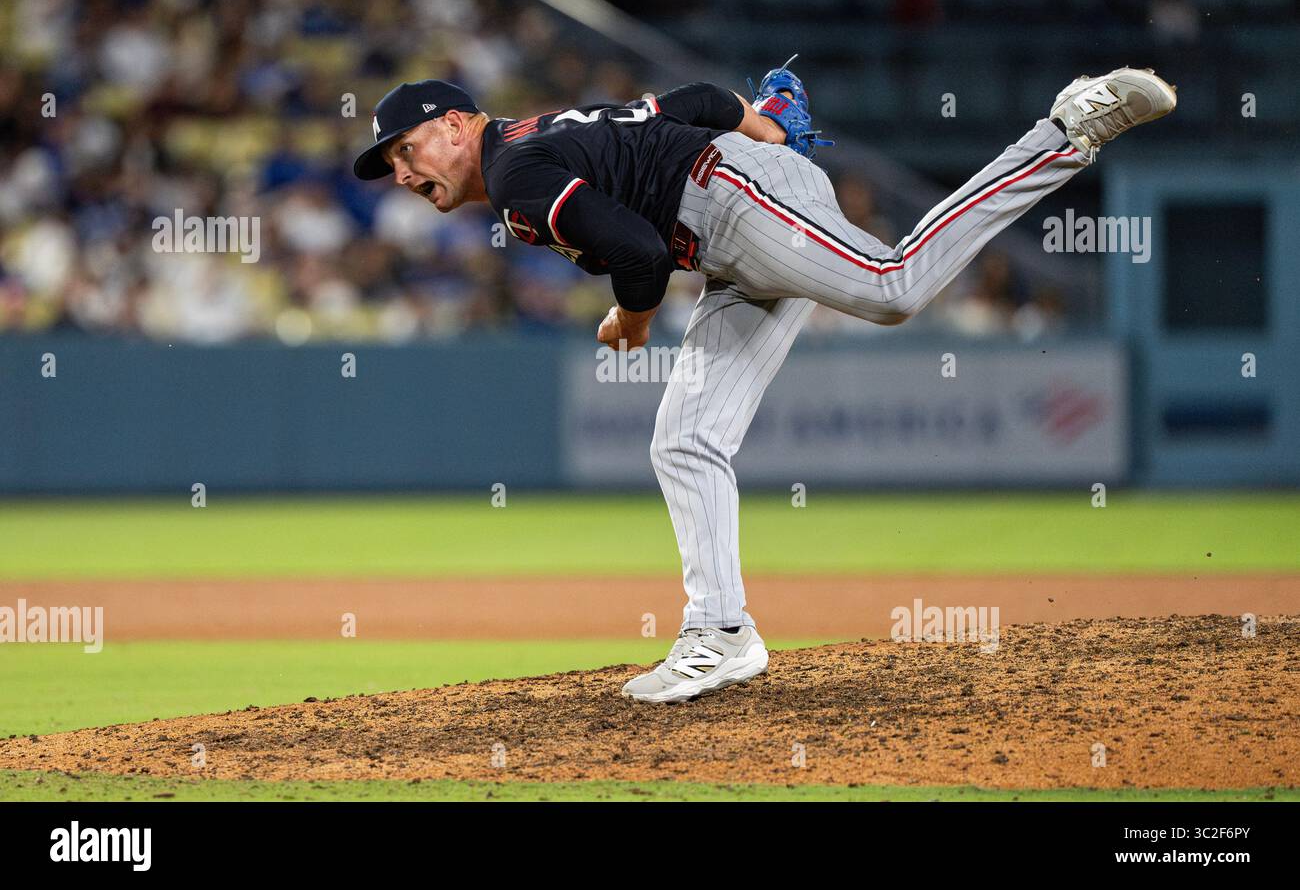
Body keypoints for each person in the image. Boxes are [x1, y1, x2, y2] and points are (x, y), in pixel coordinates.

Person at [354, 63, 1176, 703]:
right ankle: (722, 633)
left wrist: (634, 320)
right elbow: (695, 98)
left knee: (891, 287)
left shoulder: (517, 174)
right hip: (732, 222)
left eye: (405, 148)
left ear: (457, 123)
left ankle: (1063, 131)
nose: (400, 172)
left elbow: (639, 253)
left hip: (733, 201)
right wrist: (769, 128)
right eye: (391, 162)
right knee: (684, 440)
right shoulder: (542, 135)